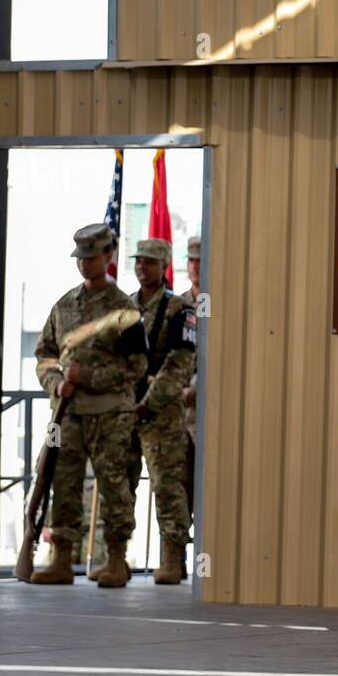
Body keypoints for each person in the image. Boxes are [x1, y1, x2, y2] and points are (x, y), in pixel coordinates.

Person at [31, 223, 147, 587]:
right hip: (70, 412)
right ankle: (62, 558)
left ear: (109, 256)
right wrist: (57, 382)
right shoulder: (64, 305)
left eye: (92, 258)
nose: (84, 265)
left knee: (114, 484)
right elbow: (45, 354)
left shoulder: (124, 309)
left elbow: (137, 366)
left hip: (110, 413)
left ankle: (115, 558)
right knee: (63, 483)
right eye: (80, 259)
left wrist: (91, 378)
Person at [129, 238, 197, 584]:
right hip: (126, 411)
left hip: (161, 413)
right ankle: (115, 556)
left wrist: (148, 403)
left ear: (163, 267)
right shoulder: (125, 307)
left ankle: (173, 557)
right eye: (139, 262)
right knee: (120, 484)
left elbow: (179, 364)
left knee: (168, 486)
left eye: (150, 262)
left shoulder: (179, 309)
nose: (143, 267)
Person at [181, 235, 201, 521]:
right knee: (179, 488)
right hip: (181, 413)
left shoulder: (223, 303)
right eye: (191, 261)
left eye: (201, 260)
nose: (195, 267)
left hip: (210, 413)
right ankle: (176, 561)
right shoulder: (178, 306)